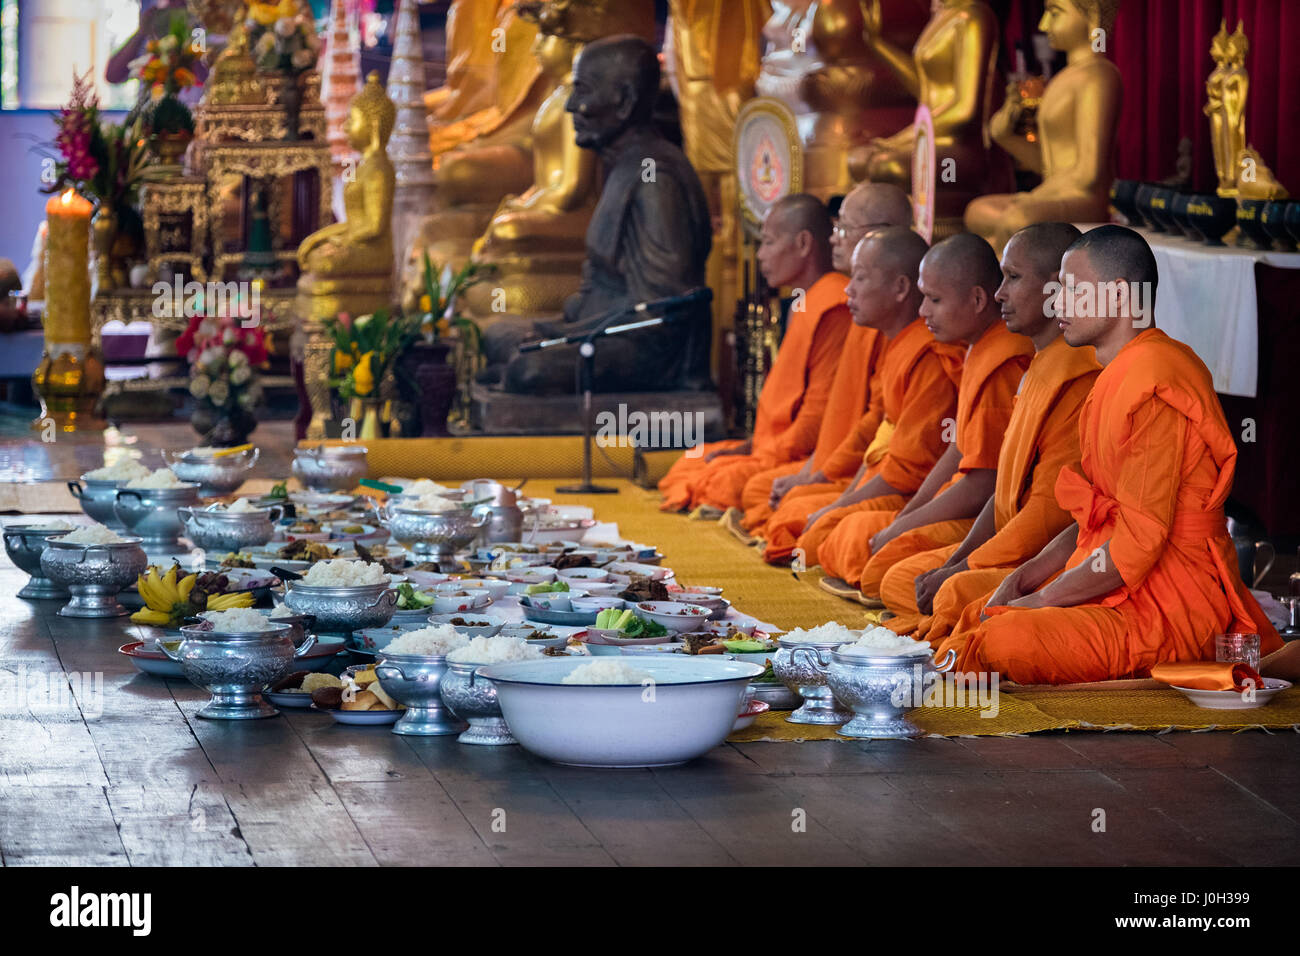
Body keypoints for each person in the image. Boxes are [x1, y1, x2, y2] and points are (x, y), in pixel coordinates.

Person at [939, 225, 1281, 683]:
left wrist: (1044, 598)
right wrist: (1026, 577)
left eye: (1071, 289)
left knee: (1004, 639)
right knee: (980, 609)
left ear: (1120, 297)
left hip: (1172, 607)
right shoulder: (1117, 376)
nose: (1057, 303)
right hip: (1120, 581)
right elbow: (1096, 516)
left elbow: (1139, 542)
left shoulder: (1154, 381)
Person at [876, 222, 1101, 639]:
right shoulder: (1038, 364)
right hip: (1008, 542)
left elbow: (1048, 515)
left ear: (1055, 289)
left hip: (1053, 556)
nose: (1000, 294)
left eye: (1012, 278)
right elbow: (1004, 487)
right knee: (899, 578)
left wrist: (963, 568)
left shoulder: (1079, 374)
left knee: (949, 593)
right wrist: (960, 559)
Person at [814, 233, 1034, 599]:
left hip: (996, 517)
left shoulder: (1003, 359)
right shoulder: (977, 350)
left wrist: (903, 525)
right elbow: (958, 450)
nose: (923, 311)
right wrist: (907, 518)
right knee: (840, 536)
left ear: (977, 299)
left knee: (883, 570)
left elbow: (983, 483)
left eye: (933, 300)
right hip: (951, 502)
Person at [758, 226, 964, 567]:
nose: (848, 290)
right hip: (880, 481)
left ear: (900, 287)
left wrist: (839, 504)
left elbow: (909, 468)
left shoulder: (928, 355)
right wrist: (824, 480)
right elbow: (873, 434)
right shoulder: (899, 347)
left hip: (910, 496)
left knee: (824, 533)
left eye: (860, 279)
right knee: (794, 511)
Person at [733, 183, 914, 538]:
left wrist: (823, 479)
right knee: (761, 492)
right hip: (843, 466)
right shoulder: (859, 308)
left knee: (791, 512)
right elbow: (848, 417)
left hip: (878, 478)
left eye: (844, 228)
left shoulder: (895, 328)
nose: (834, 238)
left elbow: (882, 431)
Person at [659, 193, 851, 513]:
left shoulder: (834, 306)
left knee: (728, 482)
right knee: (691, 462)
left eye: (769, 242)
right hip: (773, 448)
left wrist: (764, 456)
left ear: (804, 244)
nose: (761, 255)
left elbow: (818, 416)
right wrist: (749, 448)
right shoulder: (803, 303)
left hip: (804, 454)